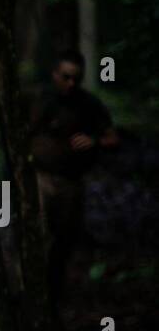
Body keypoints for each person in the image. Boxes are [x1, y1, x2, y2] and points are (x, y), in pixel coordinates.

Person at [27, 48, 119, 305]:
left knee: (64, 241)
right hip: (40, 179)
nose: (70, 83)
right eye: (65, 77)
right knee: (39, 237)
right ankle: (32, 296)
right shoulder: (39, 100)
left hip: (71, 181)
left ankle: (54, 295)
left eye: (75, 78)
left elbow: (113, 138)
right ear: (55, 74)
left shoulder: (88, 104)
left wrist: (95, 141)